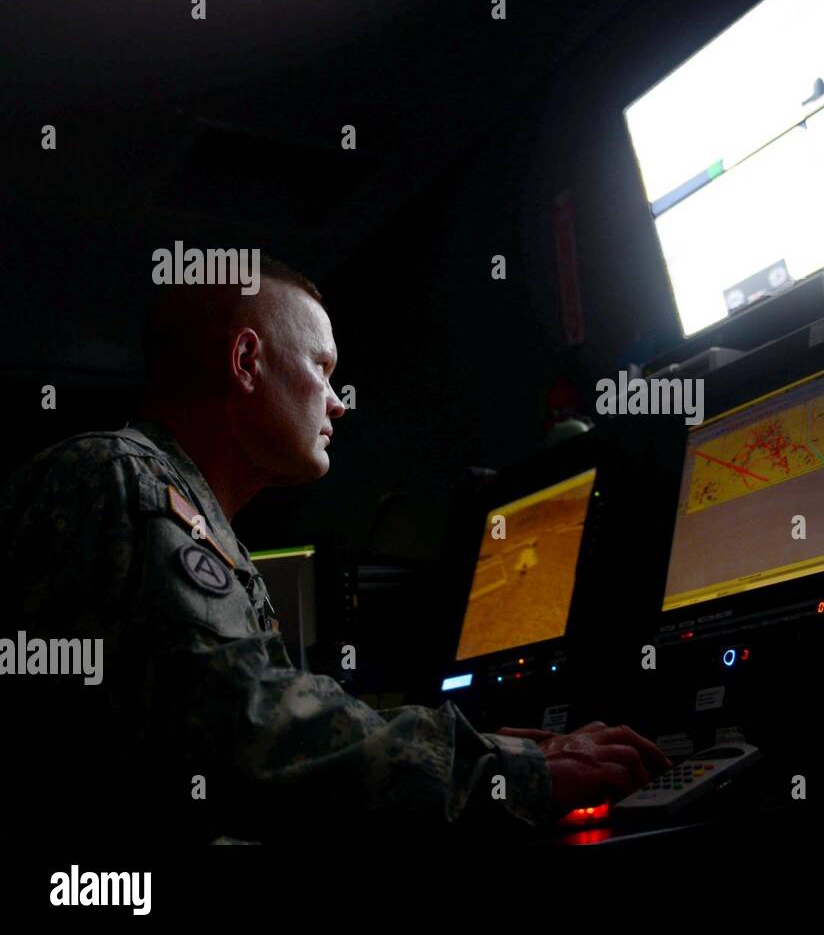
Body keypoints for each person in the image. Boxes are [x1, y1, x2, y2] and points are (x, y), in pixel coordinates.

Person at [0, 258, 669, 844]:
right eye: (322, 368)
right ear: (246, 361)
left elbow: (254, 710)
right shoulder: (125, 482)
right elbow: (246, 734)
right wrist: (504, 772)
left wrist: (481, 744)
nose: (338, 403)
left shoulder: (181, 507)